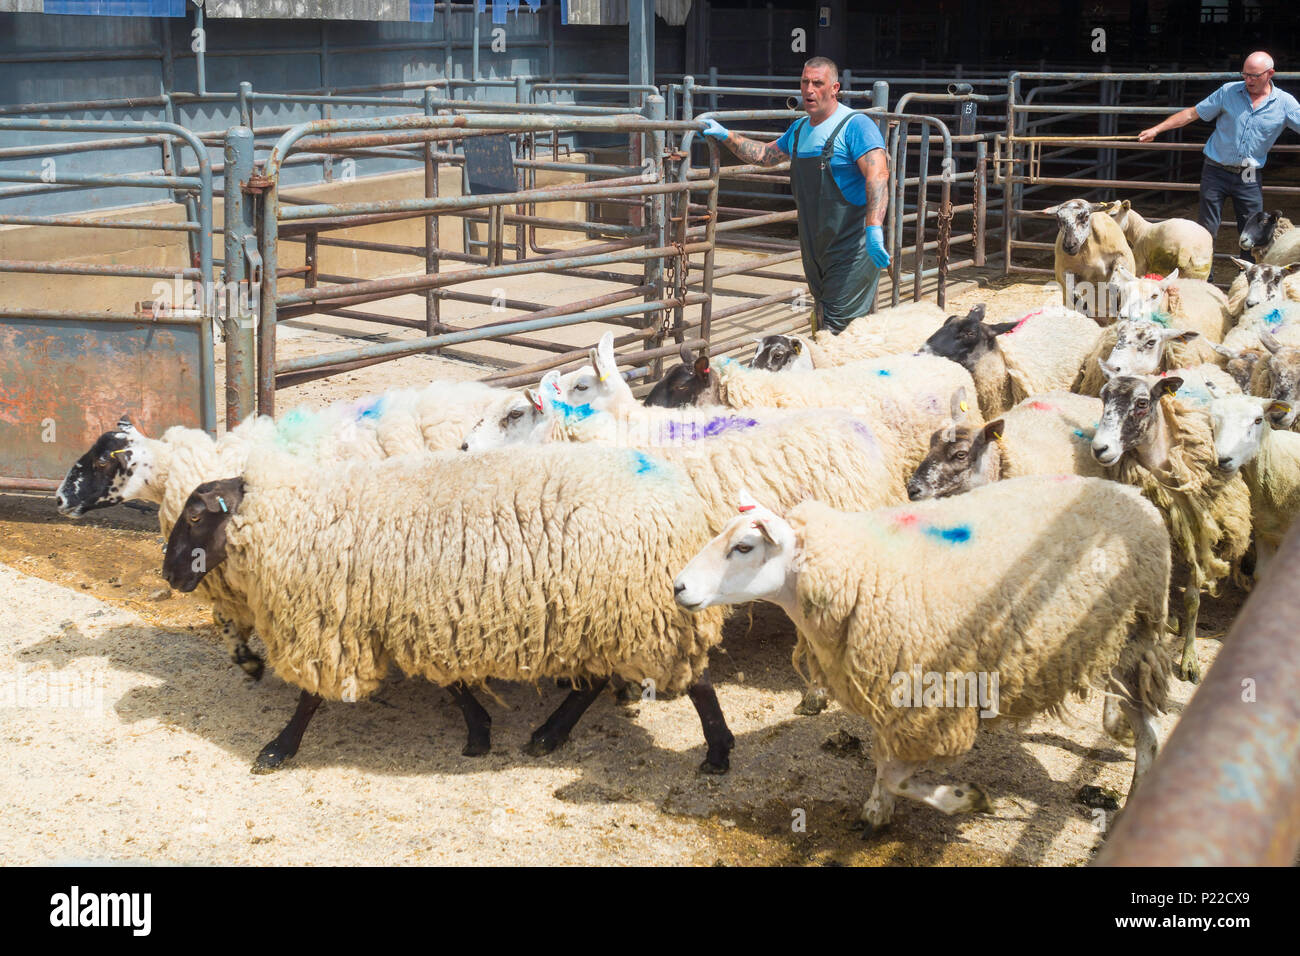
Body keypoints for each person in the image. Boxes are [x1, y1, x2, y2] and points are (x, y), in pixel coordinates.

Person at [700, 56, 890, 334]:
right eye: (805, 82)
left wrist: (874, 228)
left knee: (838, 328)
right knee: (824, 317)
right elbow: (765, 156)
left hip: (853, 246)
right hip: (816, 245)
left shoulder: (856, 125)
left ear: (835, 87)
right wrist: (726, 135)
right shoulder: (800, 130)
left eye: (818, 83)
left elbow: (878, 174)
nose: (809, 90)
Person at [1139, 51, 1300, 271]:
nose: (1248, 80)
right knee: (1207, 228)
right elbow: (1192, 114)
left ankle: (1247, 278)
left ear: (1270, 74)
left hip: (1248, 173)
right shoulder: (1228, 92)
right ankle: (1206, 276)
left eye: (1254, 76)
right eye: (1245, 74)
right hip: (1215, 169)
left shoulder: (1284, 103)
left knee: (1252, 231)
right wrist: (1157, 129)